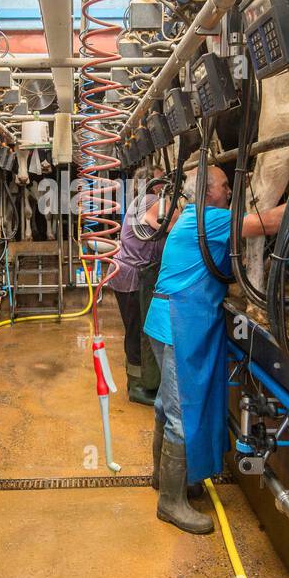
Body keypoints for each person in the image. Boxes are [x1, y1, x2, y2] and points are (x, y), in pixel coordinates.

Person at [143, 164, 289, 534]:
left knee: (166, 406)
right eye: (224, 185)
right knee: (182, 414)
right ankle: (170, 503)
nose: (230, 192)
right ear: (207, 191)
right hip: (178, 322)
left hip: (168, 320)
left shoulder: (191, 218)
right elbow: (268, 222)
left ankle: (164, 478)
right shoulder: (207, 219)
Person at [108, 166, 167, 406]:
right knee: (136, 332)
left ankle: (137, 382)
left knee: (135, 330)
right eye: (164, 179)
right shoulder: (152, 201)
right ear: (154, 184)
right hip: (132, 276)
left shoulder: (140, 200)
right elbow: (169, 224)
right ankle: (138, 386)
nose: (168, 185)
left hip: (126, 273)